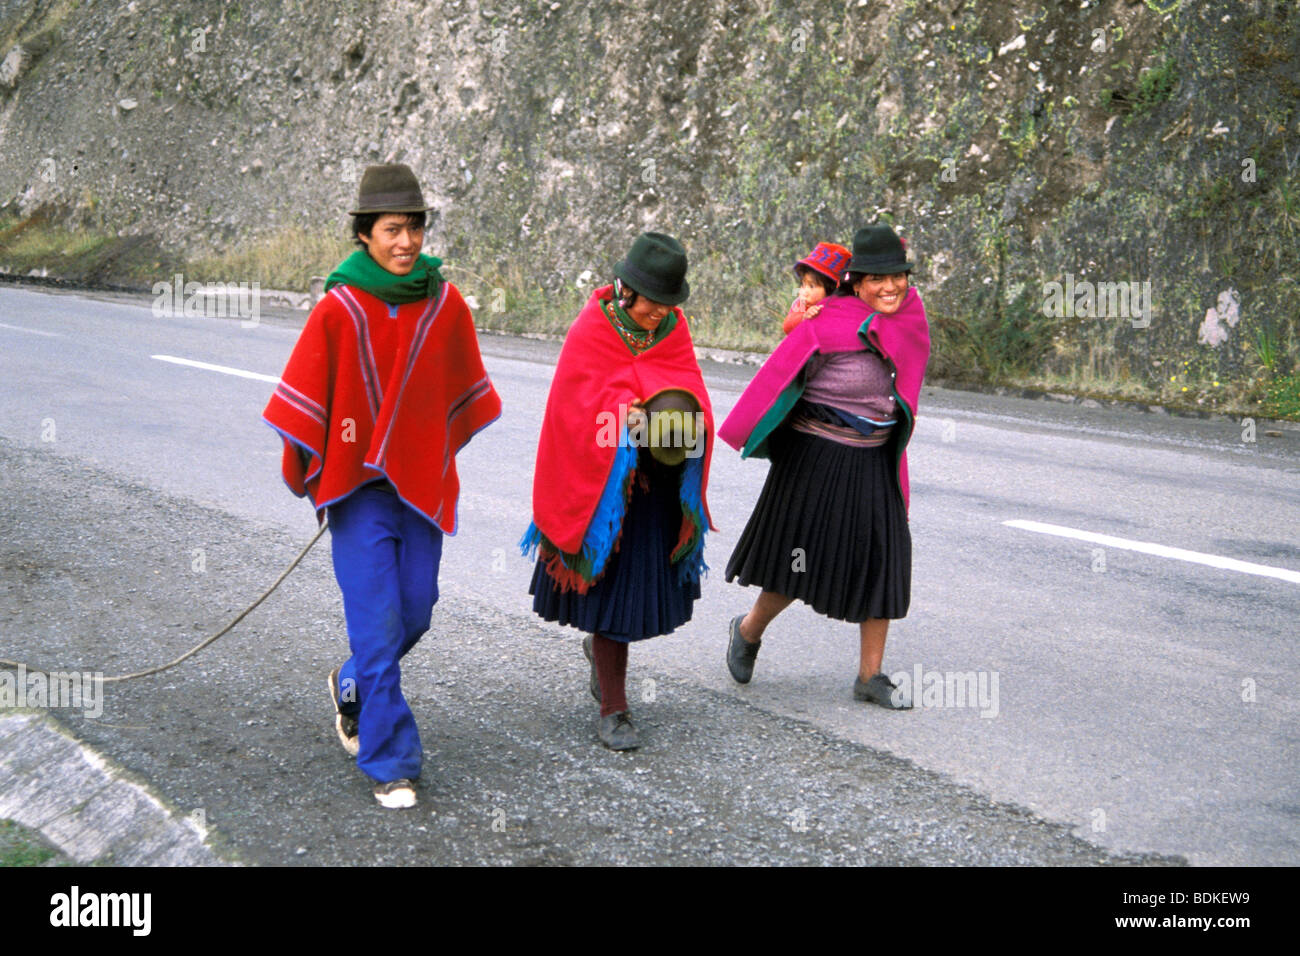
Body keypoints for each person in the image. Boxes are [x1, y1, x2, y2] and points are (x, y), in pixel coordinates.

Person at [262, 163, 501, 808]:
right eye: (393, 229)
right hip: (358, 490)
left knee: (416, 609)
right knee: (376, 619)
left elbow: (459, 390)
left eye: (415, 228)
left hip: (419, 485)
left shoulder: (444, 303)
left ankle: (351, 684)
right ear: (364, 233)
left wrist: (425, 445)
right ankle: (391, 759)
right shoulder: (338, 308)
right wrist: (307, 470)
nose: (407, 242)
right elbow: (306, 397)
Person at [717, 224, 929, 707]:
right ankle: (747, 632)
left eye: (898, 276)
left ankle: (869, 676)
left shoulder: (910, 316)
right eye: (878, 279)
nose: (890, 287)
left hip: (876, 457)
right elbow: (783, 376)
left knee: (884, 559)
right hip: (816, 457)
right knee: (799, 561)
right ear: (856, 282)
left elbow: (907, 374)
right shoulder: (825, 320)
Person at [521, 232, 715, 750]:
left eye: (669, 303)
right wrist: (618, 418)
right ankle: (615, 708)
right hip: (607, 494)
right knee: (615, 603)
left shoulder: (673, 327)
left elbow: (689, 389)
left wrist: (679, 419)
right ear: (625, 289)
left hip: (656, 487)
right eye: (653, 302)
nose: (660, 313)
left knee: (631, 604)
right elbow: (573, 407)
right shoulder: (595, 328)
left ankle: (604, 667)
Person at [782, 241, 851, 335]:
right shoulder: (802, 303)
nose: (804, 291)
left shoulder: (842, 307)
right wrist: (803, 317)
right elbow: (787, 326)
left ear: (831, 288)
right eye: (803, 285)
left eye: (811, 286)